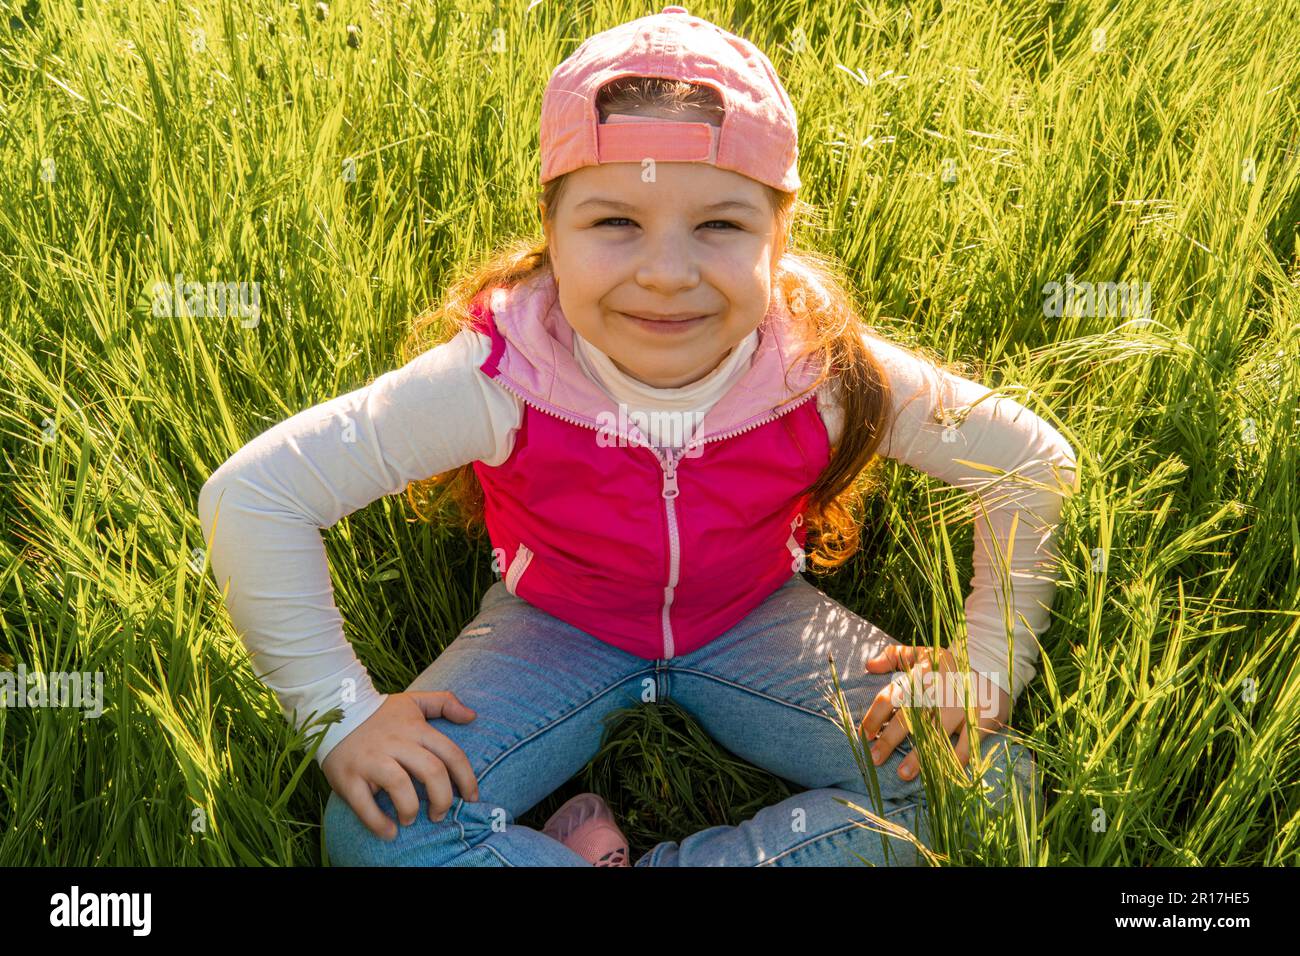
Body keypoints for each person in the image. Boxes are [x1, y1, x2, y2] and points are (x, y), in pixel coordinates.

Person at [197, 5, 1079, 866]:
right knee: (380, 831)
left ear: (781, 234)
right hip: (552, 625)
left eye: (721, 225)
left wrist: (986, 668)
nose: (666, 274)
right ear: (551, 230)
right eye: (615, 222)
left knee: (998, 792)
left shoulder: (826, 373)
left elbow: (1031, 462)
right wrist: (343, 716)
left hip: (753, 618)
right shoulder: (500, 373)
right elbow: (257, 496)